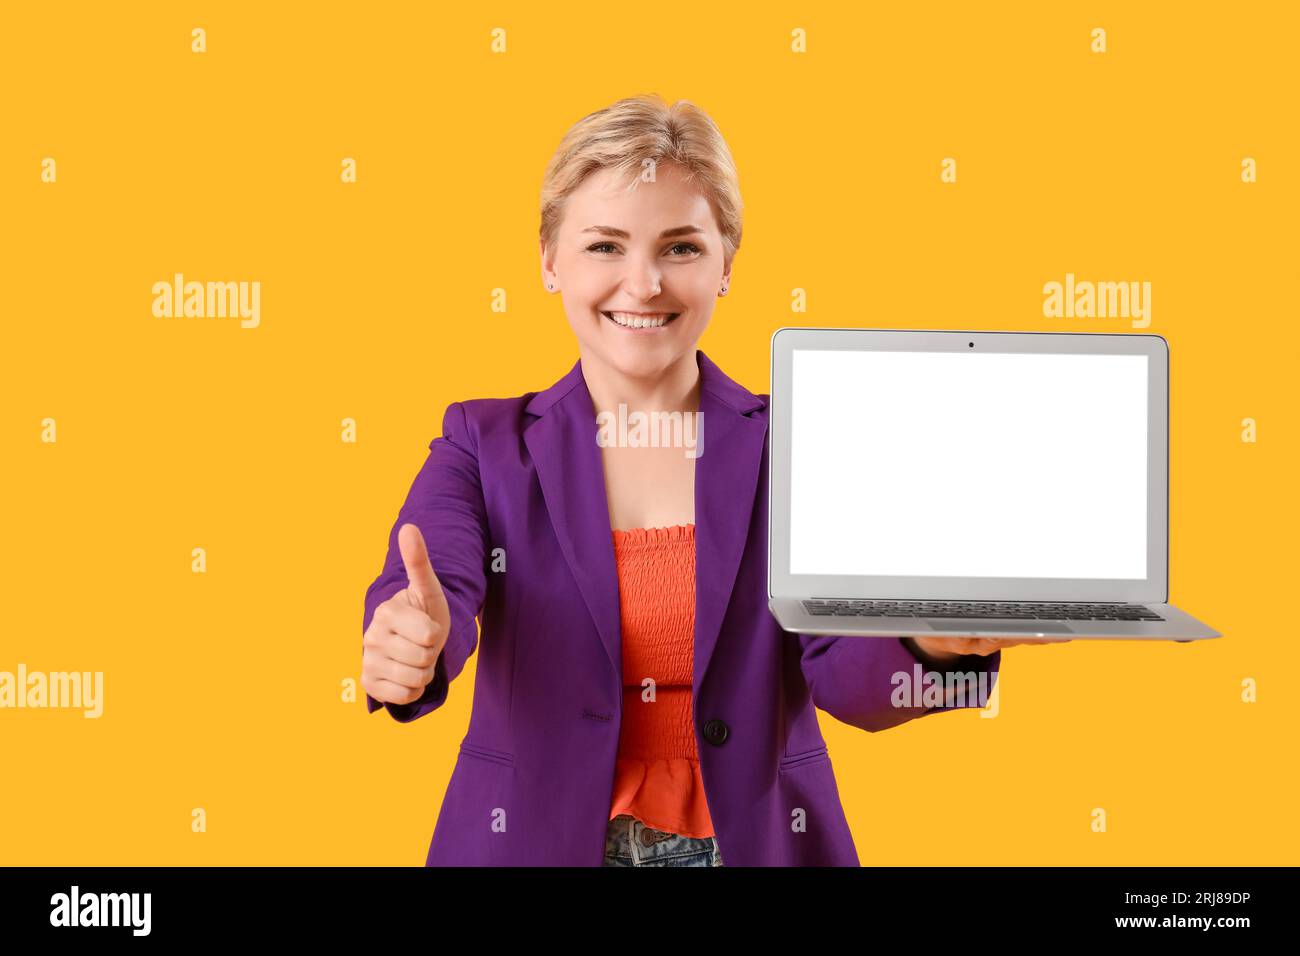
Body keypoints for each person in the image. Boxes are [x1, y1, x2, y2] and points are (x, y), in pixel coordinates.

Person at [360, 93, 1059, 867]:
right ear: (549, 262)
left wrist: (932, 645)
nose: (644, 283)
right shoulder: (482, 443)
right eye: (604, 246)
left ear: (726, 264)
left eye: (681, 248)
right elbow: (432, 588)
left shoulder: (800, 445)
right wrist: (414, 643)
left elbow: (845, 678)